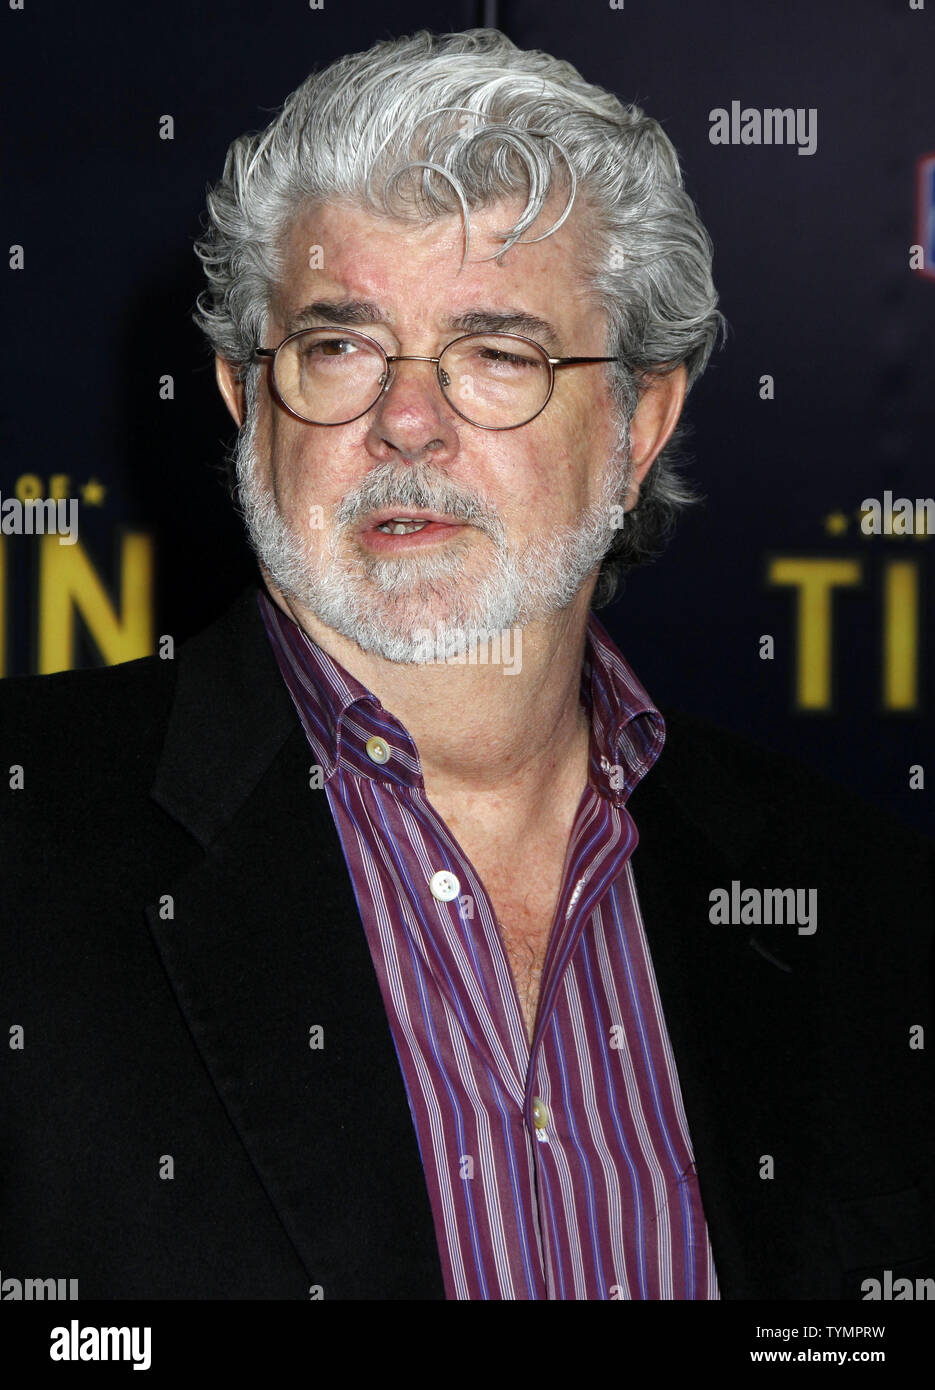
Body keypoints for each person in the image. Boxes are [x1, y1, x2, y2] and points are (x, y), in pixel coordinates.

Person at [2, 28, 933, 1302]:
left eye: (495, 353)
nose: (405, 419)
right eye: (339, 346)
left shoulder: (869, 911)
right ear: (243, 397)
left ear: (636, 424)